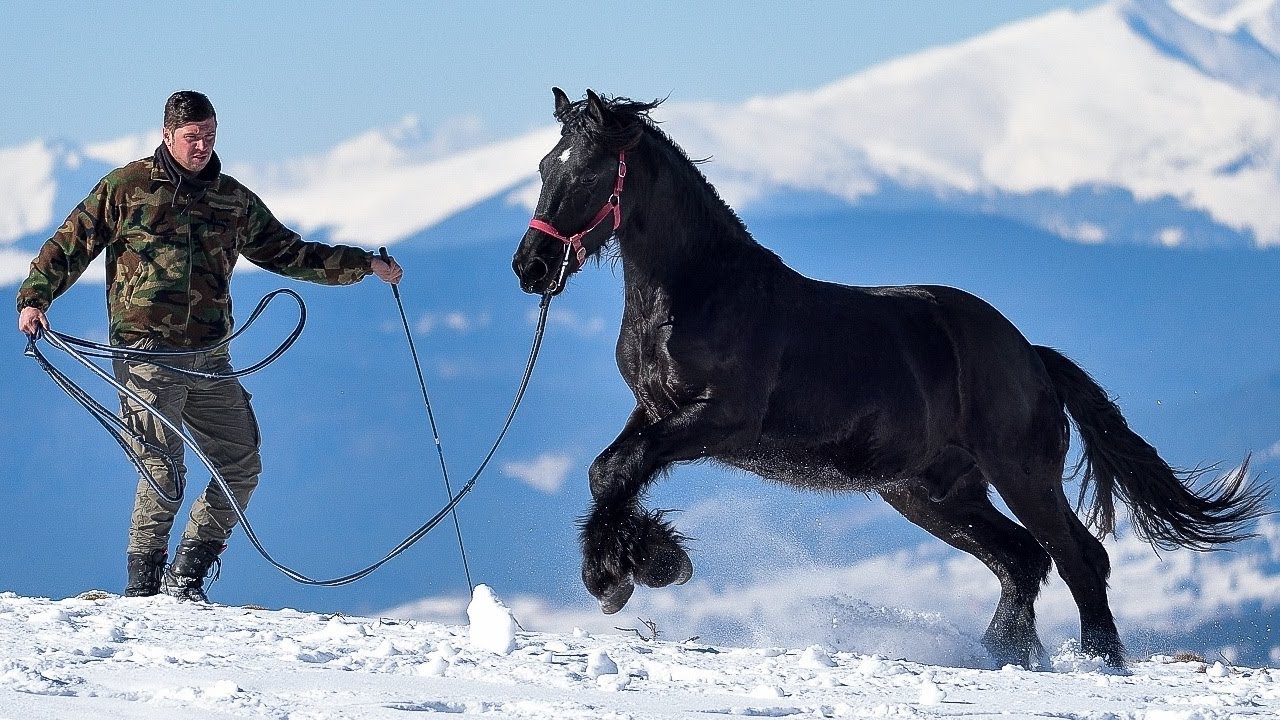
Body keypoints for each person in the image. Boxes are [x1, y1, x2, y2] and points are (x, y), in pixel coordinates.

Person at [15, 90, 404, 602]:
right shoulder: (127, 188)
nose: (202, 146)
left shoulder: (232, 199)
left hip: (209, 357)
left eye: (210, 136)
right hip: (146, 353)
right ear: (167, 135)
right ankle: (142, 588)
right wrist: (35, 297)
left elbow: (289, 251)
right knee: (163, 469)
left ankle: (189, 574)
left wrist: (363, 265)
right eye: (192, 137)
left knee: (241, 463)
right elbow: (72, 241)